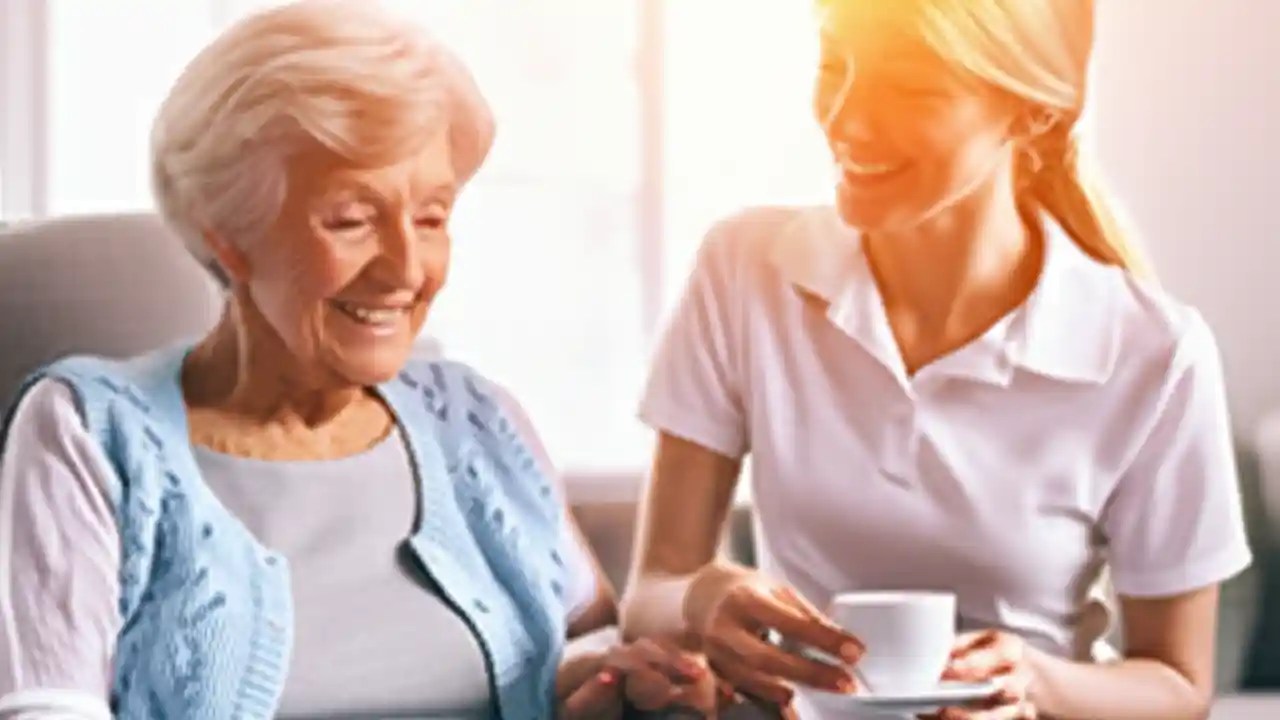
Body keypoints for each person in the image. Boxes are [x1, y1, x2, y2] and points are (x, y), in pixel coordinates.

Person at [0, 1, 718, 718]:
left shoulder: (478, 420)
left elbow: (578, 645)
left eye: (433, 217)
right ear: (230, 234)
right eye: (351, 219)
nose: (406, 268)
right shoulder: (89, 435)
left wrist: (625, 684)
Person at [621, 1, 1252, 718]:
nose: (847, 120)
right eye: (834, 66)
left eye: (911, 89)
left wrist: (1033, 685)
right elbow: (652, 591)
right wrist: (703, 599)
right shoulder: (745, 271)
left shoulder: (1156, 354)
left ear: (1032, 113)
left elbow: (1177, 684)